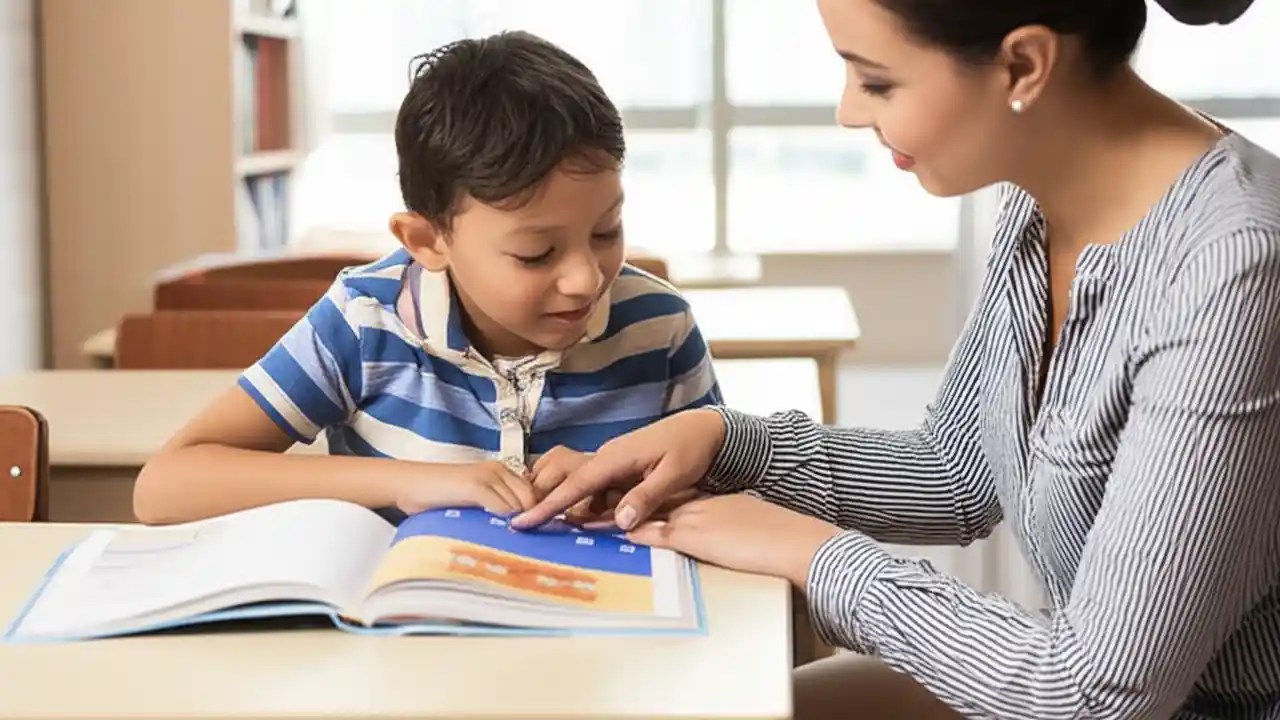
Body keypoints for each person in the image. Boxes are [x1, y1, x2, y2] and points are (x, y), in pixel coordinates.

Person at [513, 0, 1280, 717]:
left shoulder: (1236, 267)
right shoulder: (1044, 202)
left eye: (876, 80)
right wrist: (728, 442)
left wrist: (810, 553)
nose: (849, 110)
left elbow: (1096, 692)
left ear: (1023, 66)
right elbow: (958, 471)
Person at [133, 31, 721, 526]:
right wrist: (409, 483)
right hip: (404, 648)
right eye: (536, 253)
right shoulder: (365, 322)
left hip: (614, 649)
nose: (584, 278)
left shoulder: (659, 327)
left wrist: (634, 493)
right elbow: (165, 486)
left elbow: (729, 500)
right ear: (426, 240)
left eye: (606, 231)